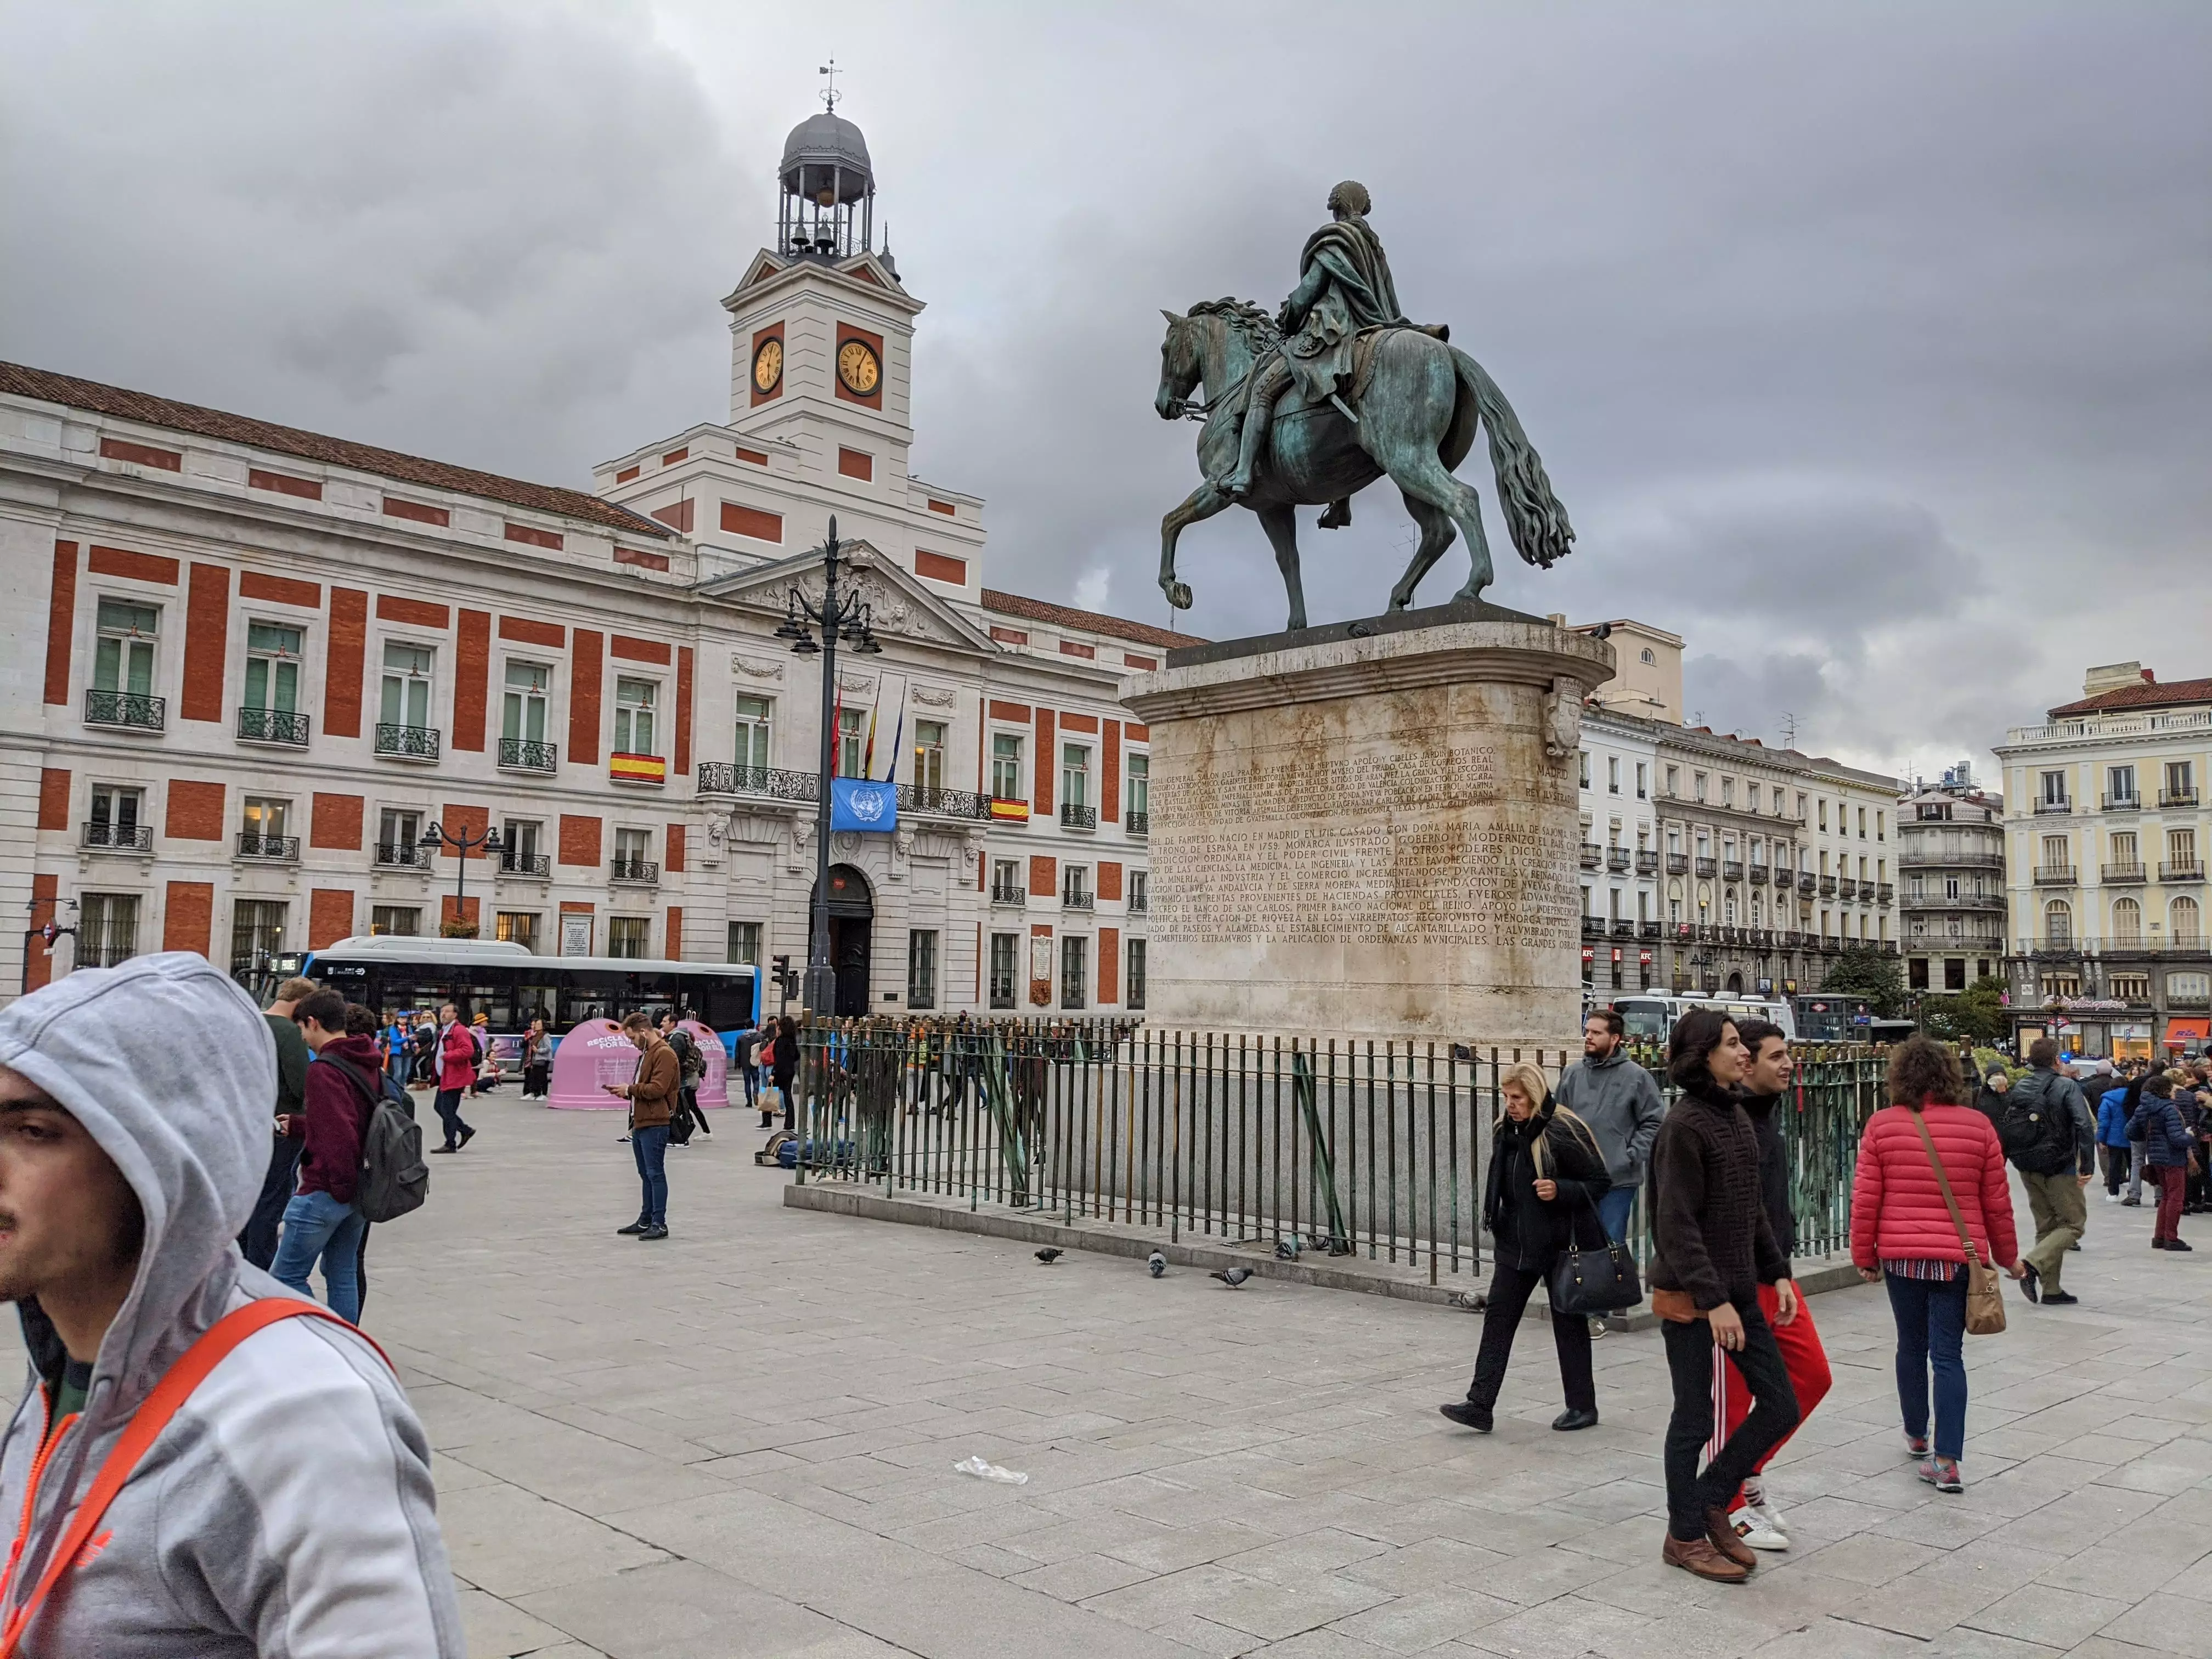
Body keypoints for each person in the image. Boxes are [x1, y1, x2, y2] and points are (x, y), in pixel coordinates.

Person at [0, 951, 464, 1652]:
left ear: (161, 1156)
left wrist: (326, 1190)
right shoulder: (62, 1357)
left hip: (323, 1203)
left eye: (33, 1132)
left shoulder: (297, 1417)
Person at [1649, 1011, 1801, 1584]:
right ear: (1704, 1056)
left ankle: (1712, 1498)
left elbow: (1751, 1209)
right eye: (1734, 1045)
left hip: (1737, 1291)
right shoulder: (1684, 1127)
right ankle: (1683, 1536)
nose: (1744, 1053)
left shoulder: (1735, 1116)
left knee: (1780, 1403)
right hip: (1694, 1298)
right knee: (1692, 1416)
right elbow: (1676, 1225)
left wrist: (1778, 1271)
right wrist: (1712, 1300)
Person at [1850, 1036, 2022, 1493]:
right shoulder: (1979, 1126)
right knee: (1948, 1355)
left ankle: (1916, 1434)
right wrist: (2007, 1258)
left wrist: (1864, 1256)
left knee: (1910, 1346)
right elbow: (1997, 1205)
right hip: (1957, 1260)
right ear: (1951, 1076)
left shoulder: (1882, 1126)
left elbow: (1866, 1200)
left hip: (1903, 1258)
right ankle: (1947, 1462)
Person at [1712, 1019, 1832, 1553]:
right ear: (1747, 1064)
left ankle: (1749, 1468)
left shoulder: (1765, 1116)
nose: (1788, 1064)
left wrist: (1781, 1271)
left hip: (1773, 1275)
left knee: (1812, 1376)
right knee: (1732, 1403)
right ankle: (1727, 1504)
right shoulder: (1727, 1120)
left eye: (1789, 1055)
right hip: (1734, 1285)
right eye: (1776, 1055)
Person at [1438, 1063, 1607, 1436]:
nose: (1510, 1105)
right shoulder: (1506, 1130)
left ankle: (1582, 1405)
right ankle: (1480, 1405)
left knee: (1569, 1324)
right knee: (1497, 1322)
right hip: (1515, 1244)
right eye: (1506, 1097)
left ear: (1535, 1096)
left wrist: (1561, 1189)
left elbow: (1599, 1181)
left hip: (1559, 1244)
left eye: (1517, 1098)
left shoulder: (1563, 1130)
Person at [1223, 179, 1412, 509]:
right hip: (1372, 328)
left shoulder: (1335, 242)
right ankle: (1341, 499)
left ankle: (1242, 472)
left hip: (1332, 332)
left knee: (1262, 391)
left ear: (1338, 206)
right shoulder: (1372, 244)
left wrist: (1289, 316)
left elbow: (1309, 291)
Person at [1554, 1007, 1666, 1340]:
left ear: (1615, 1038)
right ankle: (1574, 1300)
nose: (1588, 1037)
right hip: (1579, 1177)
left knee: (1608, 1239)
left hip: (1618, 1178)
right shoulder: (1573, 1074)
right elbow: (1558, 1118)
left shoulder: (1636, 1076)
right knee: (1577, 1239)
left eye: (1596, 1032)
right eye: (1587, 1031)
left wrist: (1629, 1155)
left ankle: (1596, 1312)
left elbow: (1653, 1121)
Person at [268, 988, 376, 1323]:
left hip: (327, 1189)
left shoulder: (324, 1069)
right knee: (342, 1273)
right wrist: (301, 1125)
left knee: (284, 1277)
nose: (302, 1037)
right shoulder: (367, 1059)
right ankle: (349, 1346)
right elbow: (358, 1119)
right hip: (361, 1189)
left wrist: (337, 1188)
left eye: (302, 1028)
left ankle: (327, 1339)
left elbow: (340, 1133)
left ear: (313, 1023)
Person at [2003, 1038, 2096, 1307]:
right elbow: (2083, 1125)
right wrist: (2087, 1166)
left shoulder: (2020, 1085)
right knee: (2073, 1224)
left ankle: (2052, 1289)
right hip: (2059, 1165)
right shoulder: (2066, 1085)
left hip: (2027, 1164)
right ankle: (2032, 1264)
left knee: (2046, 1225)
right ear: (2057, 1061)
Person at [238, 974, 313, 1271]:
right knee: (272, 1199)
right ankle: (261, 1263)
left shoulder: (250, 1022)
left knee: (249, 1196)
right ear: (299, 1005)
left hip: (248, 1122)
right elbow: (301, 1083)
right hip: (282, 1123)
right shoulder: (288, 1032)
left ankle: (242, 1259)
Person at [608, 1011, 678, 1239]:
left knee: (655, 1173)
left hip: (656, 1123)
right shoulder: (647, 1054)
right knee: (646, 1173)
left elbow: (658, 1089)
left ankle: (660, 1223)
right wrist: (627, 1092)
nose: (632, 1043)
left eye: (632, 1038)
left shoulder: (664, 1054)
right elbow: (643, 1088)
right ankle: (646, 1219)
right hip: (641, 1121)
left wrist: (630, 1089)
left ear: (643, 1032)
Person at [2128, 1073, 2194, 1251]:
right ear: (2165, 1090)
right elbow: (2177, 1139)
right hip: (2173, 1158)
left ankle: (2159, 1236)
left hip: (2156, 1158)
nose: (2174, 1091)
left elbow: (2130, 1131)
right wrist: (2191, 1136)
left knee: (2166, 1196)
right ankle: (2171, 1238)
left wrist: (2149, 1136)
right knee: (2176, 1198)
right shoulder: (2169, 1109)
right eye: (2171, 1088)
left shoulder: (2144, 1108)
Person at [429, 1002, 476, 1154]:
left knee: (447, 1111)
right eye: (442, 1011)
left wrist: (448, 1056)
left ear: (455, 1015)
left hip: (454, 1077)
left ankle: (450, 1143)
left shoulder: (459, 1030)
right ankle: (465, 1130)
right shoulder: (444, 1030)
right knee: (440, 1107)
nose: (443, 1014)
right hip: (446, 1077)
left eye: (447, 1012)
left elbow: (468, 1050)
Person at [2098, 1070, 2147, 1202]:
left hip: (2114, 1137)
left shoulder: (2107, 1099)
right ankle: (2134, 1192)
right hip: (2132, 1134)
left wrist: (2101, 1139)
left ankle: (2113, 1193)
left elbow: (2104, 1121)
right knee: (2134, 1164)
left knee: (2114, 1165)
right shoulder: (2134, 1097)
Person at [769, 1015, 800, 1132]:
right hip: (790, 1071)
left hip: (780, 1071)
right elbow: (797, 1055)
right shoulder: (792, 1040)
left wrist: (773, 1073)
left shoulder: (780, 1041)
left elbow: (778, 1059)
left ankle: (766, 1121)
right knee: (788, 1096)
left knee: (769, 1091)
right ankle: (790, 1123)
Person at [521, 1016, 551, 1099]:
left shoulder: (545, 1036)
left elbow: (548, 1048)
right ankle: (535, 1093)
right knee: (534, 1077)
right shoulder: (535, 1035)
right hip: (535, 1059)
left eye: (538, 1024)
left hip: (543, 1059)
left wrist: (538, 1051)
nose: (536, 1026)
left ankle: (543, 1094)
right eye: (535, 1024)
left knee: (542, 1077)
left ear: (543, 1026)